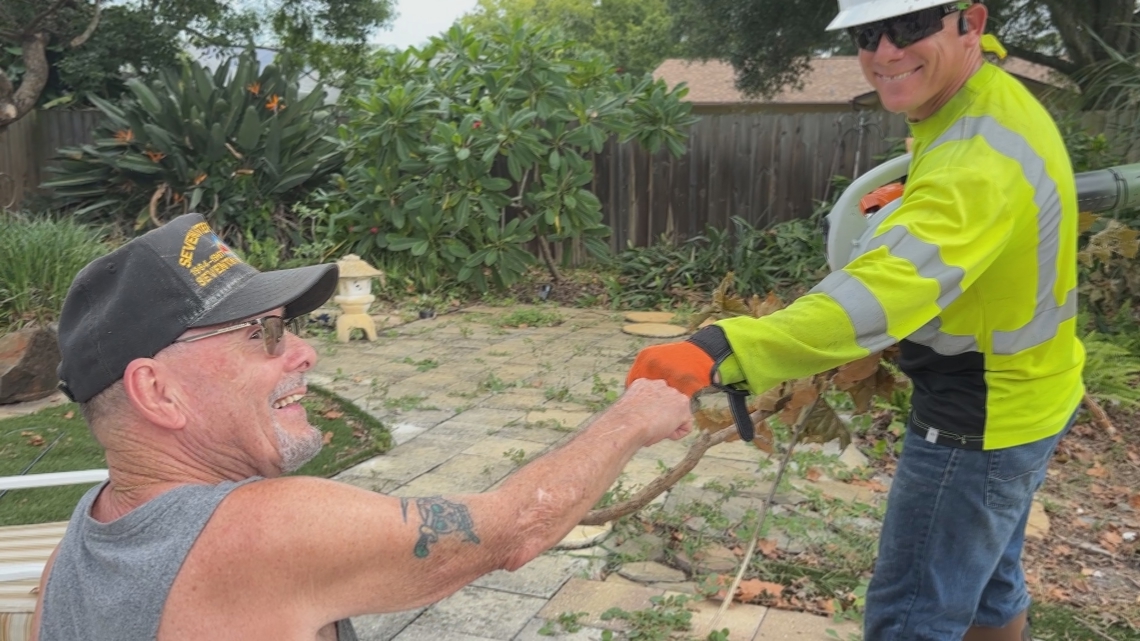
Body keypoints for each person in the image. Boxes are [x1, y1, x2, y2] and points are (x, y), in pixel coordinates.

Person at [626, 1, 1083, 639]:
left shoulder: (976, 159)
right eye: (869, 34)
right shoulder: (984, 98)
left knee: (910, 618)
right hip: (1032, 394)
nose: (887, 51)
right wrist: (910, 199)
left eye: (913, 26)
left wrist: (723, 346)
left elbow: (880, 295)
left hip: (977, 419)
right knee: (988, 592)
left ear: (969, 23)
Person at [33, 212, 693, 641]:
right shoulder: (255, 531)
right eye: (261, 333)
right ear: (157, 390)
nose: (303, 352)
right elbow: (514, 526)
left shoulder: (72, 557)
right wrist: (635, 414)